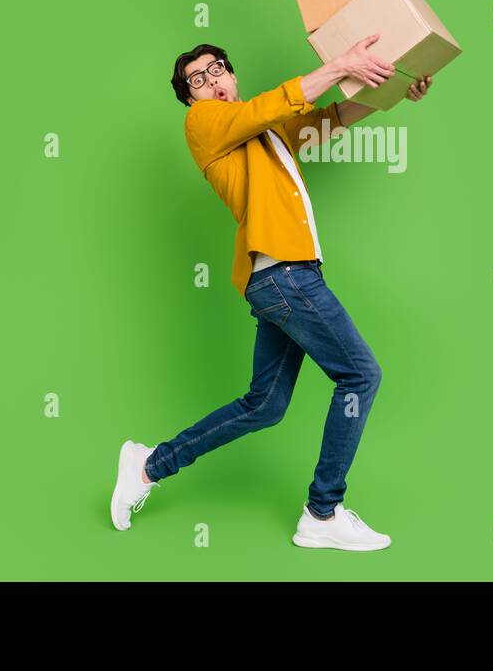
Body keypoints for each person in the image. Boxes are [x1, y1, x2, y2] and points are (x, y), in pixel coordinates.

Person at [110, 34, 433, 551]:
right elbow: (271, 104)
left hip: (280, 280)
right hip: (286, 276)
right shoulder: (204, 125)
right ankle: (323, 512)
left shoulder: (271, 133)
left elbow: (335, 118)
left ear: (233, 76)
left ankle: (149, 465)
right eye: (197, 80)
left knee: (265, 405)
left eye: (217, 70)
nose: (211, 81)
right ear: (190, 98)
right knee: (360, 374)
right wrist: (342, 63)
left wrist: (396, 87)